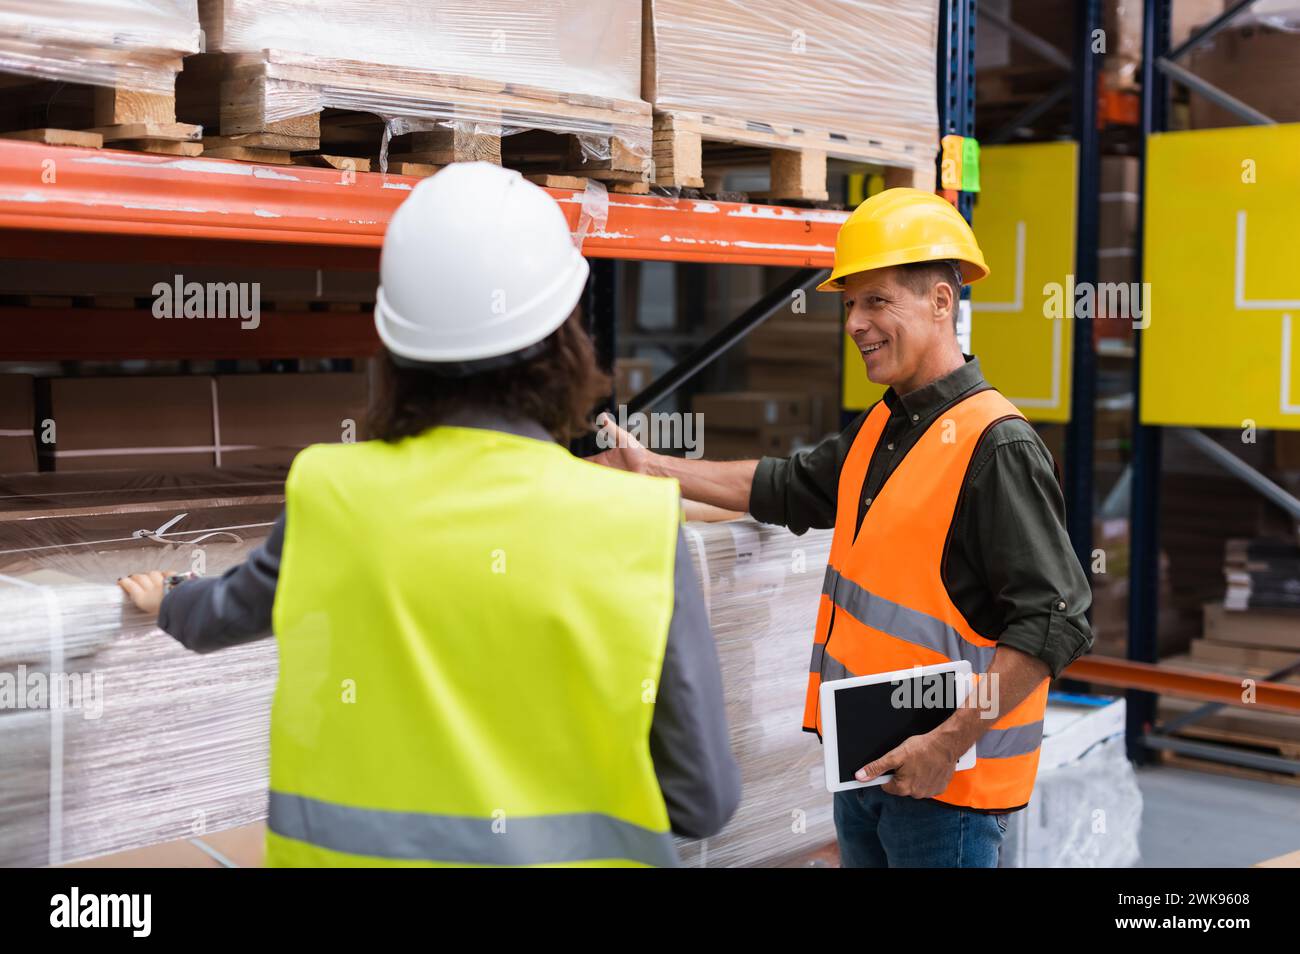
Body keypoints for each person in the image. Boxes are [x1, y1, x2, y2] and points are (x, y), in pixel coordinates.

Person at [120, 162, 740, 868]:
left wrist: (170, 598)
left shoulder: (333, 491)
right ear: (565, 342)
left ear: (398, 351)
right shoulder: (636, 524)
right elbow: (702, 801)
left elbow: (221, 614)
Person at [593, 188, 1093, 868]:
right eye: (849, 302)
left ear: (941, 303)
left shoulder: (994, 446)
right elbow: (783, 485)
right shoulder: (885, 425)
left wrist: (945, 742)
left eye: (877, 300)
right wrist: (653, 467)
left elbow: (1055, 620)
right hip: (865, 768)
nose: (855, 322)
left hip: (943, 788)